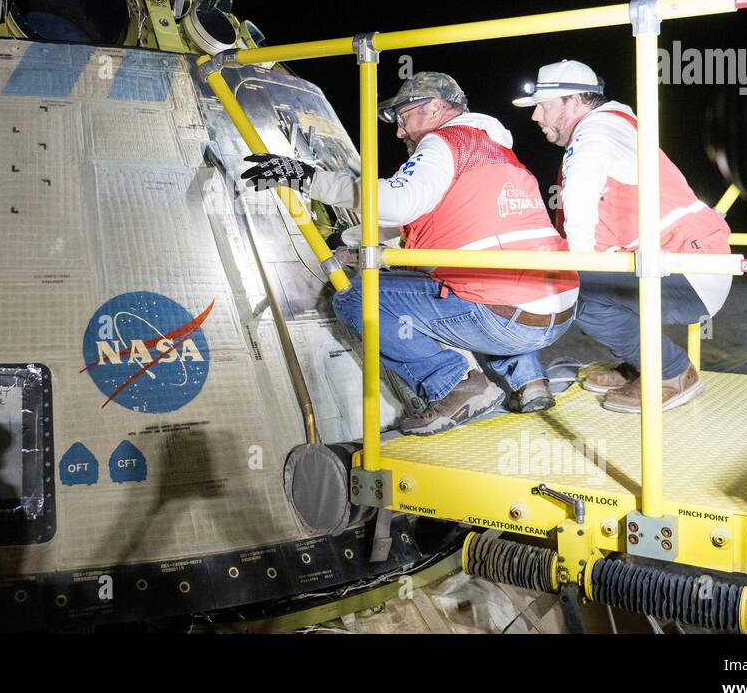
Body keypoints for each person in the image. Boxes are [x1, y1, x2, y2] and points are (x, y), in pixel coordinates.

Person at [241, 72, 578, 435]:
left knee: (357, 298)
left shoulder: (443, 142)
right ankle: (530, 383)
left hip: (504, 316)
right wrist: (354, 246)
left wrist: (305, 176)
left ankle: (451, 384)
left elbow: (397, 204)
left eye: (404, 117)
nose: (400, 131)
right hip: (557, 309)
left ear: (435, 108)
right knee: (485, 283)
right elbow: (420, 229)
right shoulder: (495, 151)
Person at [513, 59, 731, 412]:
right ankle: (641, 366)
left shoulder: (596, 132)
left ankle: (672, 373)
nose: (536, 116)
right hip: (687, 259)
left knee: (577, 294)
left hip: (687, 267)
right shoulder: (615, 126)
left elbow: (581, 192)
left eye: (543, 105)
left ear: (574, 101)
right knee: (587, 287)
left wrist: (577, 265)